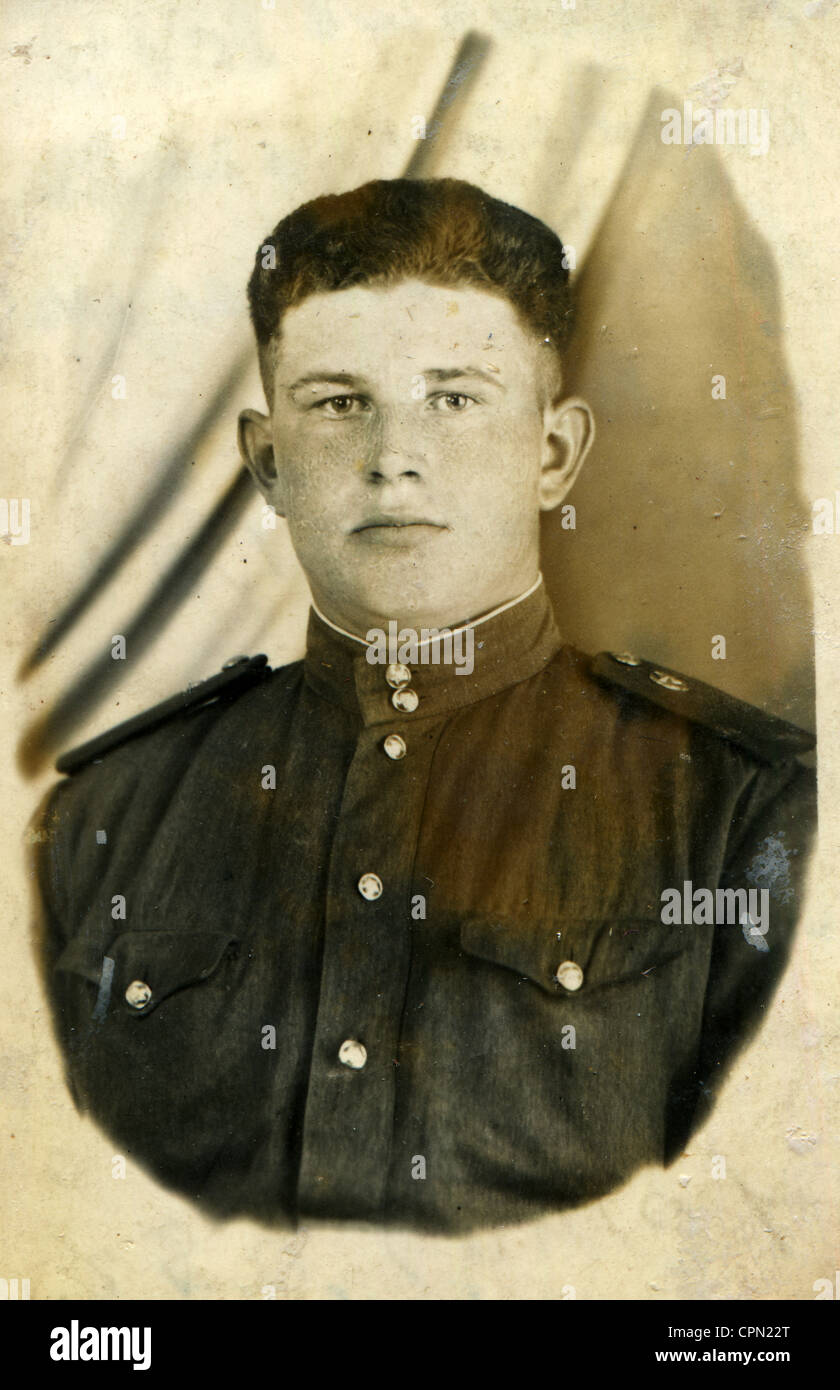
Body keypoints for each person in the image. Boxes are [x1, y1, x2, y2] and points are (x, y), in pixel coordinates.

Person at [31, 178, 816, 1233]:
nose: (393, 455)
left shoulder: (747, 817)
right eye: (338, 401)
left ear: (553, 454)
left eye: (453, 396)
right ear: (269, 462)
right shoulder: (102, 819)